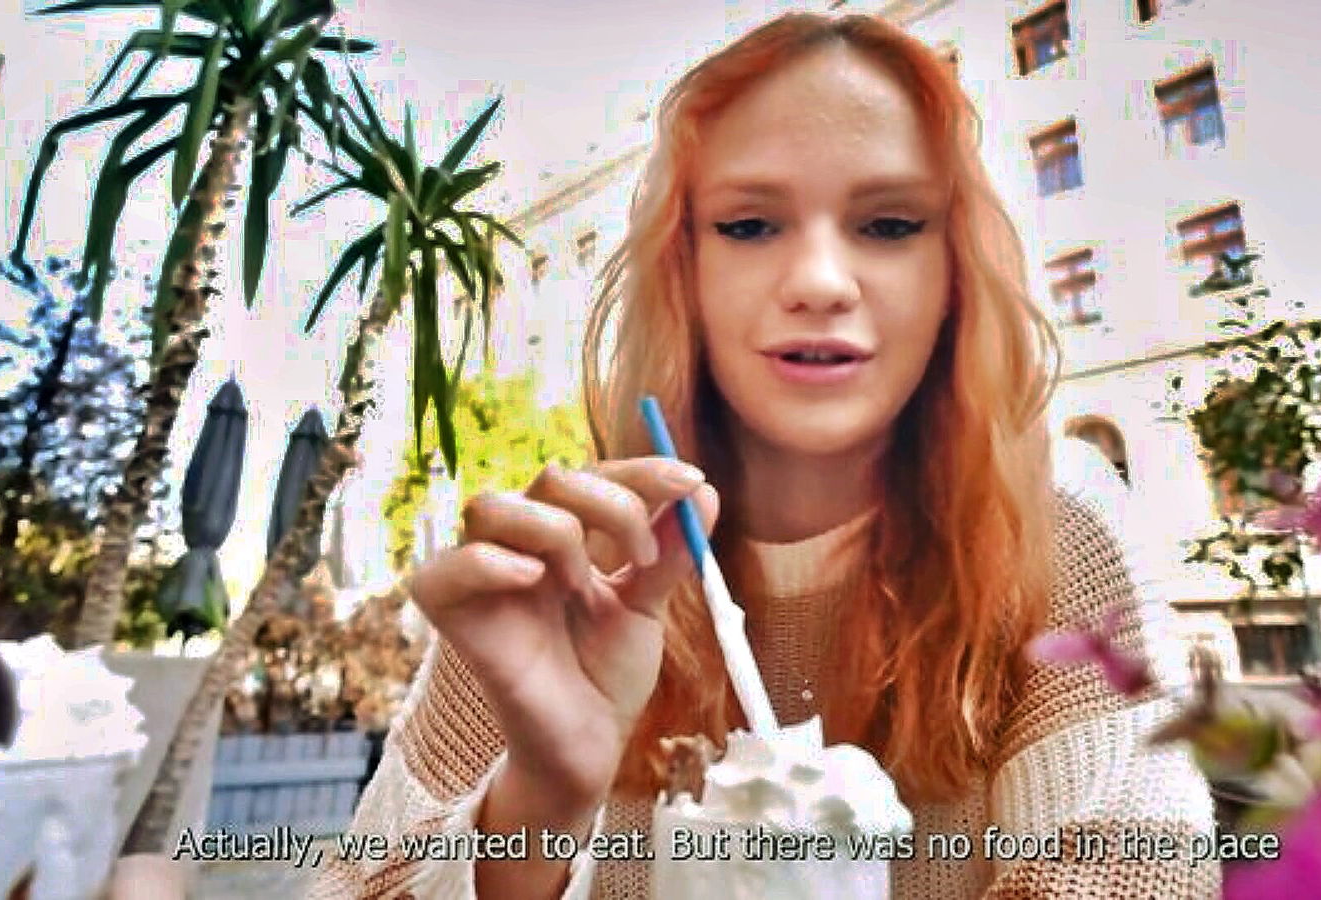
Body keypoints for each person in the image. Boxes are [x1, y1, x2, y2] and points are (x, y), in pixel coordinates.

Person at [311, 11, 1219, 899]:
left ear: (953, 278)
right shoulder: (566, 580)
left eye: (891, 224)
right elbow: (359, 885)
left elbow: (1140, 870)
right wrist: (534, 809)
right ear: (684, 275)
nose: (820, 283)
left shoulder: (1061, 543)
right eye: (749, 226)